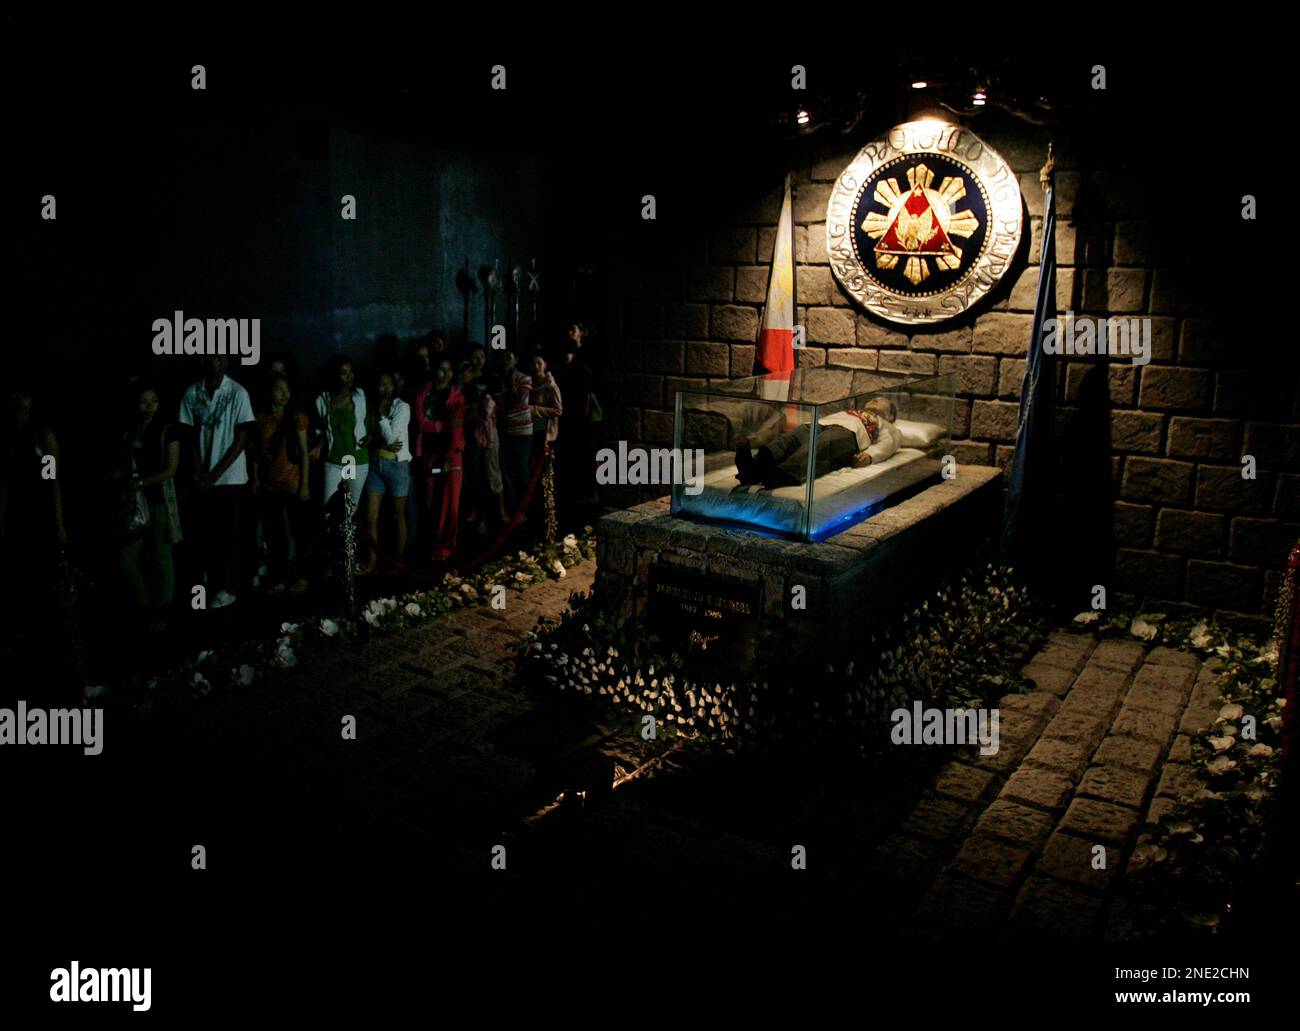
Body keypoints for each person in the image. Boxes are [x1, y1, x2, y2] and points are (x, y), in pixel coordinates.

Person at [178, 355, 256, 609]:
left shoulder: (237, 392)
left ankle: (228, 587)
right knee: (204, 534)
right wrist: (200, 472)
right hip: (203, 479)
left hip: (230, 478)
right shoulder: (192, 392)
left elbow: (242, 438)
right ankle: (208, 582)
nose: (216, 363)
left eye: (221, 359)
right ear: (202, 361)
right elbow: (189, 435)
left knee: (230, 536)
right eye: (211, 358)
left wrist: (214, 475)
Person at [116, 380, 182, 624]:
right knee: (126, 559)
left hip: (158, 502)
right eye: (144, 401)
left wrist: (141, 483)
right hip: (133, 505)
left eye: (154, 401)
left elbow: (171, 469)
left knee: (162, 557)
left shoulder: (167, 429)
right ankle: (144, 603)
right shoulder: (129, 429)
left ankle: (163, 610)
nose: (149, 406)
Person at [735, 396, 901, 488]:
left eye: (880, 400)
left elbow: (888, 443)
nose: (874, 400)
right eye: (873, 398)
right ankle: (755, 467)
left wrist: (870, 455)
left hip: (849, 434)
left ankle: (782, 475)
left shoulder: (886, 424)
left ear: (890, 416)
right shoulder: (852, 411)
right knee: (790, 439)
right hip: (820, 424)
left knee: (819, 447)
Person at [254, 373, 311, 595]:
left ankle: (302, 576)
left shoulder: (297, 417)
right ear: (269, 393)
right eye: (279, 389)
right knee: (275, 534)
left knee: (299, 533)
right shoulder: (260, 418)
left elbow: (305, 453)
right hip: (270, 484)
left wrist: (304, 485)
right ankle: (279, 576)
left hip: (293, 482)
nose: (285, 393)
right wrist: (256, 478)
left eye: (287, 389)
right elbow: (257, 452)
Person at [413, 358, 464, 561]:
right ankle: (432, 543)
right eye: (440, 369)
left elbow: (456, 427)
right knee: (430, 500)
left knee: (449, 503)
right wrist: (441, 424)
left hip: (451, 454)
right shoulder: (423, 393)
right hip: (427, 452)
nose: (444, 374)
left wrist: (449, 456)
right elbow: (420, 421)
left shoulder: (456, 396)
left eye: (448, 369)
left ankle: (446, 546)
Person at [361, 370, 411, 574]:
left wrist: (382, 418)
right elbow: (379, 437)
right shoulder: (371, 406)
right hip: (375, 464)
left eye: (388, 384)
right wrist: (377, 437)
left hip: (396, 467)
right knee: (370, 517)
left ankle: (398, 561)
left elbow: (393, 442)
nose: (385, 389)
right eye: (381, 385)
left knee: (397, 514)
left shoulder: (402, 407)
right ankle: (372, 562)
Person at [314, 356, 369, 513]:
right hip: (334, 460)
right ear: (335, 375)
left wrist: (371, 437)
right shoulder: (323, 399)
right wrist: (318, 446)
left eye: (351, 372)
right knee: (328, 509)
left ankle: (348, 538)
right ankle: (330, 537)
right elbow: (322, 430)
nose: (349, 376)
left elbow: (370, 422)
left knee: (350, 511)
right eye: (344, 373)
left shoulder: (360, 396)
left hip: (354, 459)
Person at [555, 324, 599, 507]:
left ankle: (591, 492)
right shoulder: (567, 369)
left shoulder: (582, 367)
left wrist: (584, 417)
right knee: (577, 454)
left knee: (587, 455)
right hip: (570, 415)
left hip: (580, 418)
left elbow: (586, 395)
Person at [496, 350, 533, 519]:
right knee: (505, 470)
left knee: (521, 469)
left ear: (515, 360)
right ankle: (513, 507)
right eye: (503, 358)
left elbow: (516, 401)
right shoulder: (497, 379)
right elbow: (498, 406)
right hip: (504, 431)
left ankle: (525, 508)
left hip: (522, 431)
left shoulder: (524, 378)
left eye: (509, 358)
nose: (505, 362)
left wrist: (510, 381)